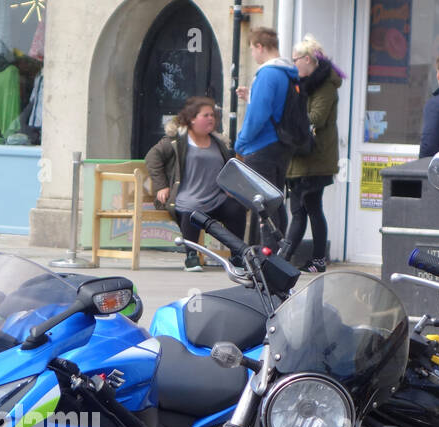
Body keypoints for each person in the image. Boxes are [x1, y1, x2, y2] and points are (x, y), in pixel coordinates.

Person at [145, 97, 247, 271]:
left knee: (236, 207)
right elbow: (152, 158)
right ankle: (191, 256)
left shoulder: (218, 143)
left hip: (216, 197)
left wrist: (232, 188)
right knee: (191, 208)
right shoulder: (176, 141)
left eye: (212, 115)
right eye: (205, 115)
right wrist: (162, 185)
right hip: (187, 196)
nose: (211, 119)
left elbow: (230, 167)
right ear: (192, 119)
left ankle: (237, 255)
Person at [283, 35, 342, 273]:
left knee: (308, 207)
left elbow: (316, 116)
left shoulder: (325, 85)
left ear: (307, 60)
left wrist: (290, 118)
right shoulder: (302, 83)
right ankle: (291, 258)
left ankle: (298, 258)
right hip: (301, 157)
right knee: (302, 208)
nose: (293, 63)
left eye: (295, 59)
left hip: (316, 158)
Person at [235, 27, 298, 236]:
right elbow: (277, 107)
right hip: (281, 145)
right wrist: (252, 96)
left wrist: (241, 142)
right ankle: (278, 253)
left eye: (252, 48)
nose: (252, 54)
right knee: (276, 201)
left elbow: (258, 115)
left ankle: (265, 256)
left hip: (261, 146)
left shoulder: (267, 73)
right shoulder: (288, 73)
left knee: (262, 206)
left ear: (260, 47)